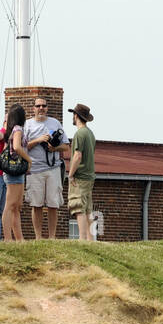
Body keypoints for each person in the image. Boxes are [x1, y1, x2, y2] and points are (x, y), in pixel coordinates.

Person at [23, 96, 68, 239]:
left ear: (47, 108)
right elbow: (22, 146)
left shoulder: (55, 123)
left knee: (53, 204)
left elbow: (66, 146)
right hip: (34, 169)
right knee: (36, 204)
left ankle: (52, 237)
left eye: (44, 105)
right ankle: (38, 237)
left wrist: (54, 148)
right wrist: (38, 140)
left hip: (53, 169)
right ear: (33, 109)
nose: (41, 108)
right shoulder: (27, 124)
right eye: (38, 106)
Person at [66, 103, 97, 241]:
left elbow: (78, 156)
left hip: (80, 176)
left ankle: (82, 238)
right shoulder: (90, 133)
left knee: (78, 207)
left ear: (76, 116)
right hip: (90, 176)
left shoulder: (80, 133)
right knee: (88, 209)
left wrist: (71, 174)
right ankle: (91, 238)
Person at [1, 104, 28, 242]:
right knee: (10, 204)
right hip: (14, 171)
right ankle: (7, 238)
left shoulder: (11, 130)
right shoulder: (18, 130)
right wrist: (29, 160)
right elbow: (17, 147)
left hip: (15, 171)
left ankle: (19, 238)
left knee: (16, 206)